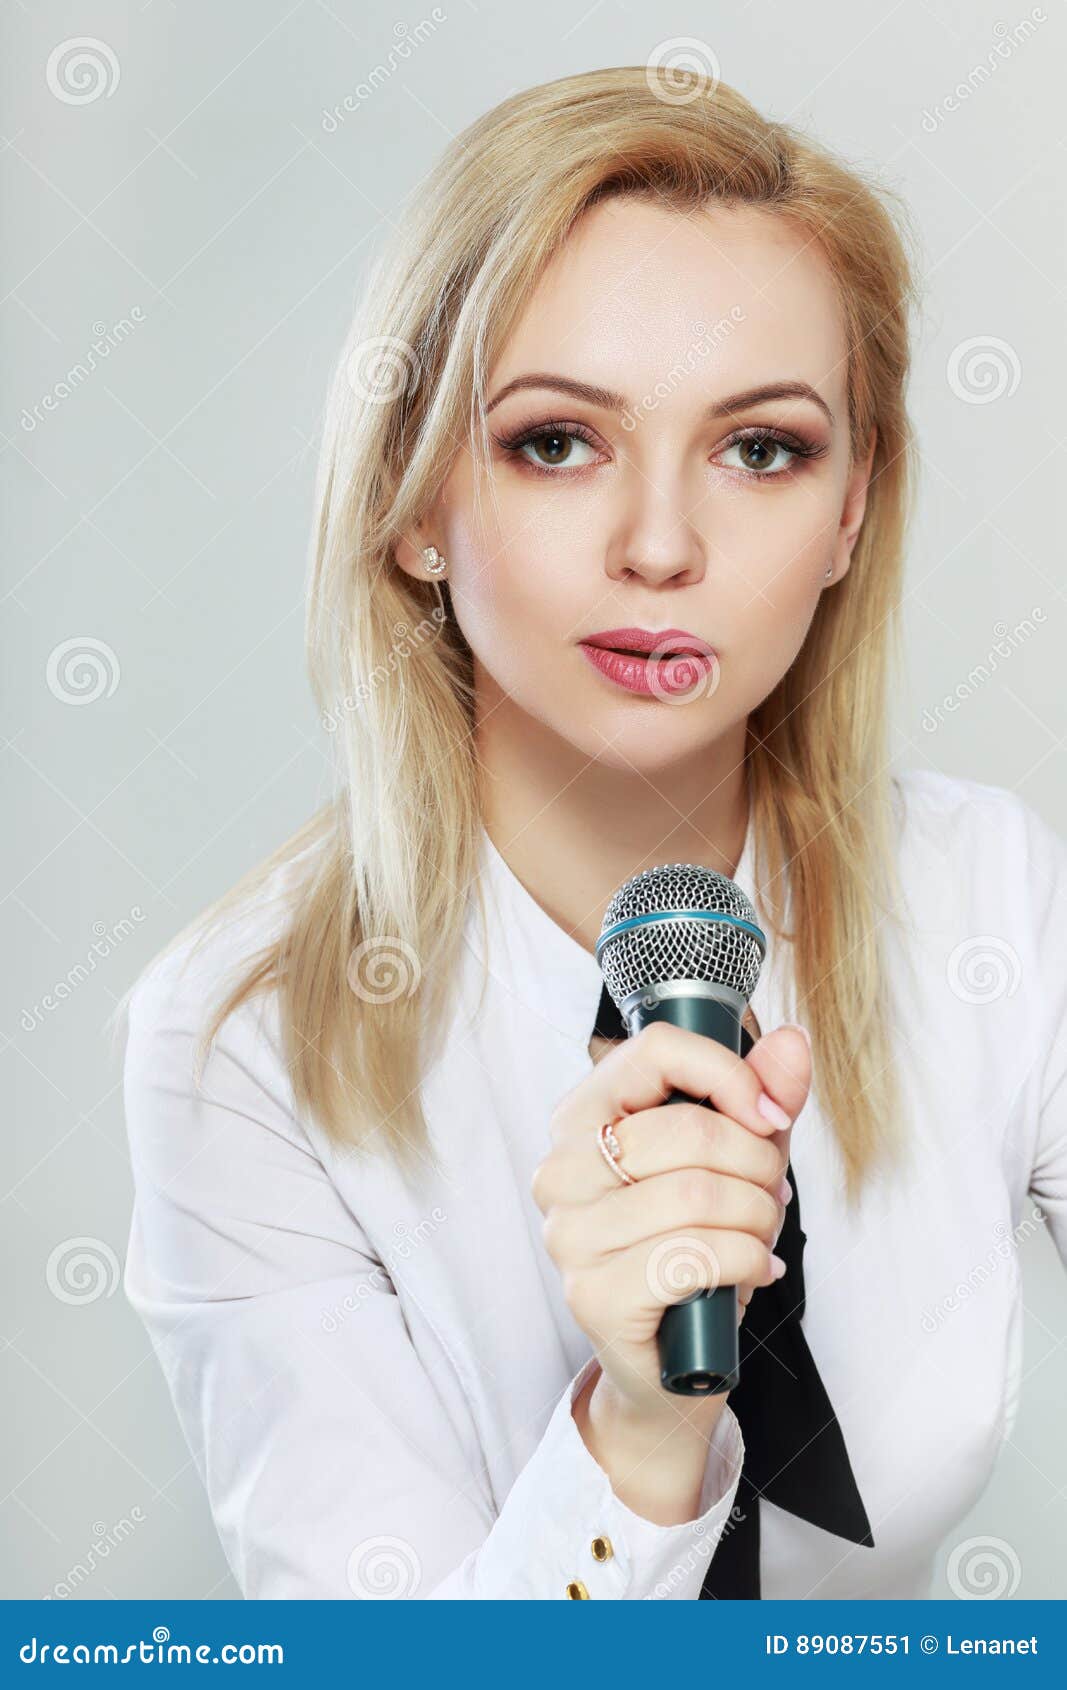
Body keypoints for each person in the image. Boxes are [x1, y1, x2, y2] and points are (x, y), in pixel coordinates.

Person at [118, 65, 1067, 1600]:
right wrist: (638, 1432)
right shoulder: (240, 1045)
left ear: (849, 512)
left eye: (761, 448)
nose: (662, 545)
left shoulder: (995, 900)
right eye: (557, 441)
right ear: (416, 496)